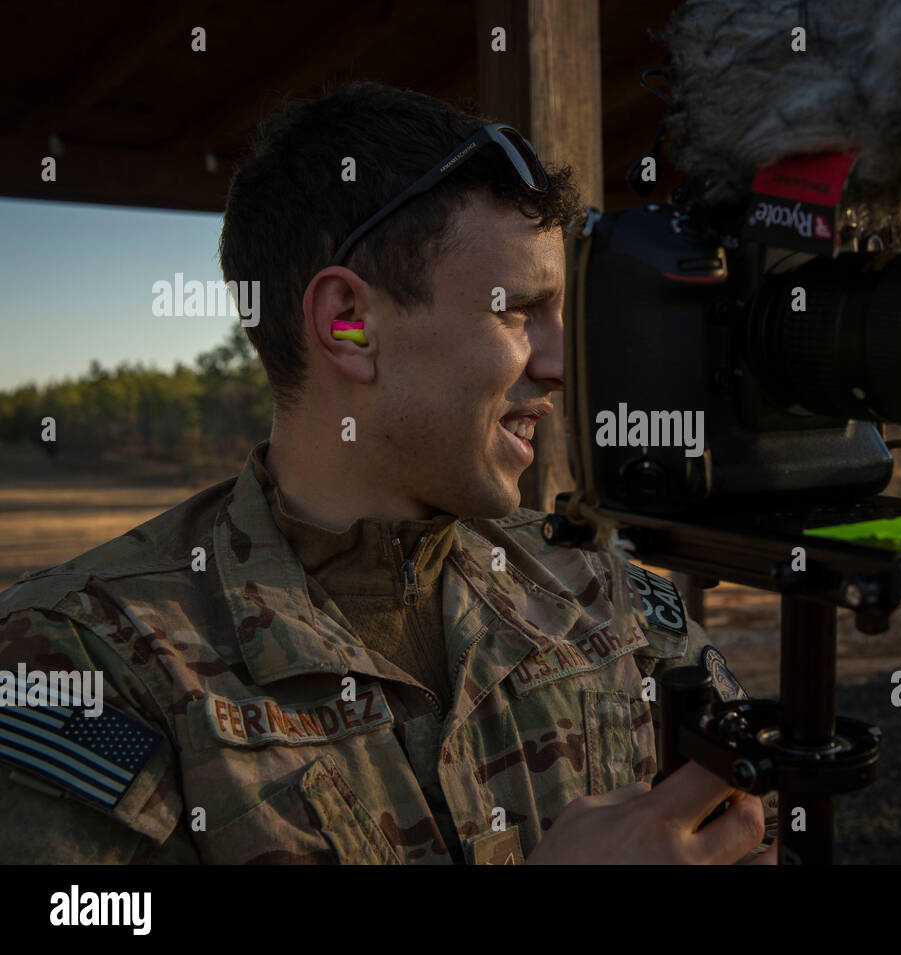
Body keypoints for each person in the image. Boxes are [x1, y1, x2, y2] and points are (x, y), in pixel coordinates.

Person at [0, 81, 773, 865]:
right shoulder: (82, 660)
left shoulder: (595, 585)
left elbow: (758, 824)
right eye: (518, 311)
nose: (559, 364)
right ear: (348, 323)